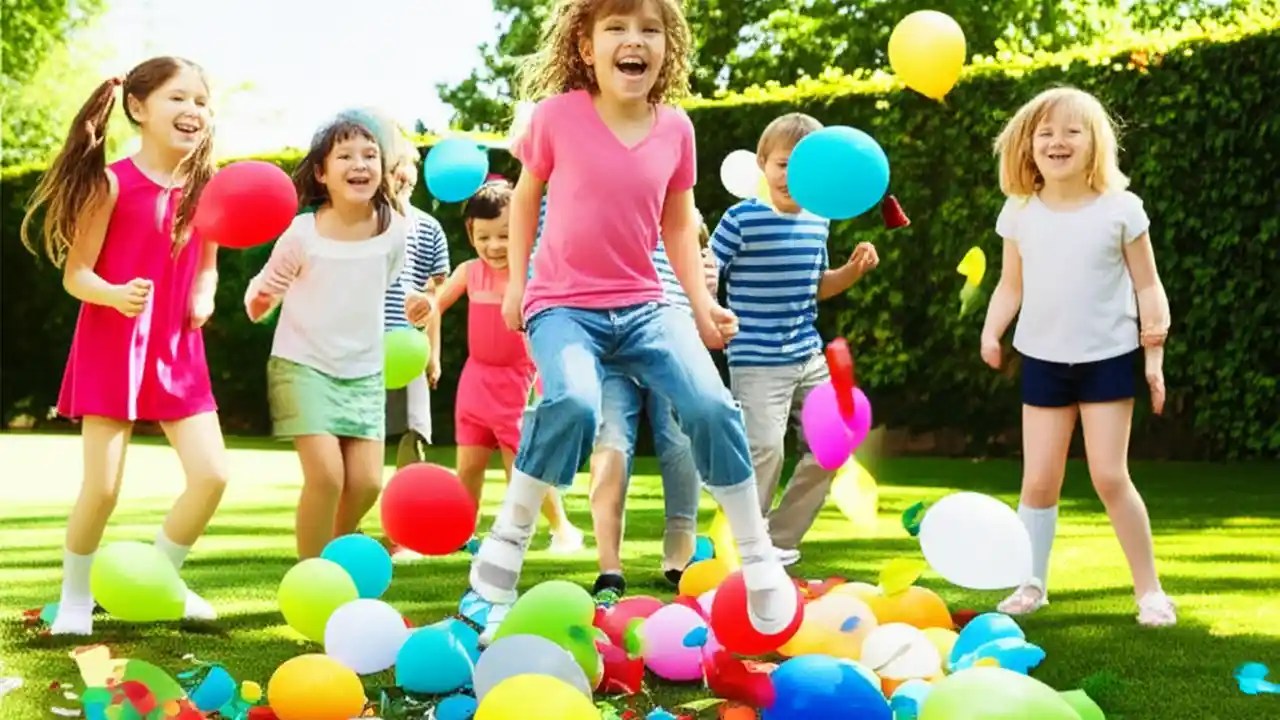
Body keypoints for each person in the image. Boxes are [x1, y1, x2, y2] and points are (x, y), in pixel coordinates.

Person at [465, 0, 796, 643]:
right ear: (586, 47)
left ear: (666, 49)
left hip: (646, 304)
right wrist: (518, 285)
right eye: (616, 27)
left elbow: (677, 221)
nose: (633, 39)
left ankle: (756, 555)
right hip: (562, 303)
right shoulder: (557, 117)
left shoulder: (676, 129)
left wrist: (700, 306)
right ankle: (503, 553)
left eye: (649, 29)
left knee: (709, 403)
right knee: (573, 403)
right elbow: (527, 193)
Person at [20, 56, 228, 636]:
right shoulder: (110, 183)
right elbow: (76, 274)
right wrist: (113, 294)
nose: (193, 111)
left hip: (177, 352)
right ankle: (76, 599)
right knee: (104, 487)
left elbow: (207, 266)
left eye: (202, 102)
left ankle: (158, 578)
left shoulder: (206, 190)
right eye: (178, 98)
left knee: (211, 475)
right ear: (137, 108)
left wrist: (205, 297)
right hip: (114, 343)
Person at [982, 86, 1174, 626]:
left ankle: (1151, 592)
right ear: (1028, 146)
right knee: (1038, 481)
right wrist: (991, 332)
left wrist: (1153, 356)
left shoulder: (1122, 209)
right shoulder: (1019, 211)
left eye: (1072, 131)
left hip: (1107, 359)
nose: (1057, 141)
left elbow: (1148, 287)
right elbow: (1010, 285)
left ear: (1096, 144)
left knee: (1110, 476)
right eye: (1045, 133)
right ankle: (1031, 583)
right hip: (1043, 360)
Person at [244, 113, 420, 560]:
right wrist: (262, 300)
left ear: (382, 168)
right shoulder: (302, 232)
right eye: (345, 155)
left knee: (365, 485)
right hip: (302, 366)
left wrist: (424, 305)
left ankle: (329, 558)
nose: (359, 163)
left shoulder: (392, 232)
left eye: (370, 155)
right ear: (322, 173)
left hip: (363, 370)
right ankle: (310, 575)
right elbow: (261, 296)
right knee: (325, 477)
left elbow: (389, 288)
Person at [710, 112, 879, 566]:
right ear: (763, 164)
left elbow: (816, 284)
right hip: (756, 358)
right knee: (764, 449)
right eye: (782, 164)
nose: (789, 176)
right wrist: (709, 310)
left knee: (835, 443)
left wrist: (852, 272)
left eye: (801, 168)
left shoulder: (819, 219)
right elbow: (708, 269)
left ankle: (780, 537)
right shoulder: (741, 218)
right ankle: (745, 540)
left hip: (807, 354)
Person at [415, 180, 583, 553]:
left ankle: (561, 530)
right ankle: (459, 533)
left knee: (522, 469)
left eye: (505, 235)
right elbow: (433, 308)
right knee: (468, 468)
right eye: (484, 236)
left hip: (519, 383)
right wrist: (431, 353)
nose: (494, 246)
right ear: (470, 234)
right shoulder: (469, 272)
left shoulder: (535, 272)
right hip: (476, 382)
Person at [589, 218, 718, 599]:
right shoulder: (610, 218)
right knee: (610, 445)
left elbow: (703, 305)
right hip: (612, 347)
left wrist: (708, 292)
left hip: (671, 344)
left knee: (679, 443)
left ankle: (680, 554)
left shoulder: (686, 220)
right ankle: (609, 567)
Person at [381, 135, 451, 469]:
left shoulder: (430, 228)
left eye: (409, 165)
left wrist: (432, 355)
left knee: (415, 429)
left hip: (408, 347)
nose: (404, 174)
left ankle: (408, 493)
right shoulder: (358, 224)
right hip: (360, 347)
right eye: (395, 167)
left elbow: (432, 299)